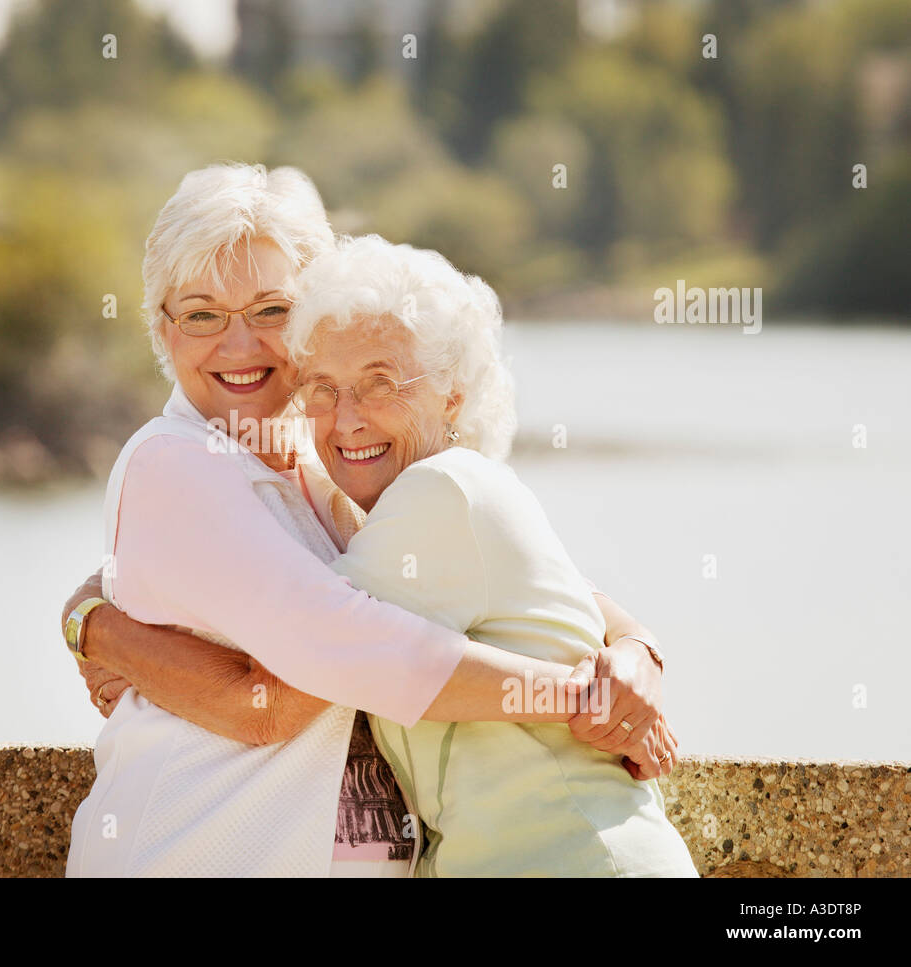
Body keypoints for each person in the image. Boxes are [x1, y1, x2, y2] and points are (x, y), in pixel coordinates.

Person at [61, 164, 678, 878]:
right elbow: (309, 674)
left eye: (270, 311)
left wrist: (636, 648)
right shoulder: (174, 462)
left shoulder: (325, 469)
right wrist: (572, 694)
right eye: (201, 314)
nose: (238, 345)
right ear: (163, 330)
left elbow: (506, 573)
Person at [273, 234, 697, 875]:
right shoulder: (448, 498)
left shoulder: (441, 490)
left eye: (380, 383)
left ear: (452, 395)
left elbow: (297, 644)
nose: (346, 419)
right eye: (323, 389)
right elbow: (580, 600)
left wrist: (104, 626)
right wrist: (639, 643)